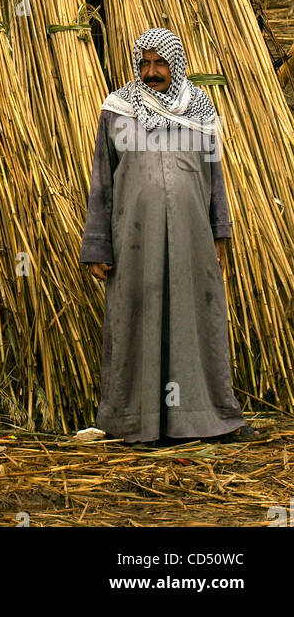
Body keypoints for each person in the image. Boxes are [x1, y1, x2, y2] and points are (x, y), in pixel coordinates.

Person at [80, 26, 253, 445]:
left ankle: (204, 418)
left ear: (175, 64)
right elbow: (102, 181)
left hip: (193, 237)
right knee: (138, 319)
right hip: (134, 241)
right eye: (145, 63)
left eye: (160, 63)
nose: (152, 72)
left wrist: (220, 231)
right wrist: (98, 246)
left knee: (194, 321)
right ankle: (138, 423)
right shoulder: (118, 109)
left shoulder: (200, 108)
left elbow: (215, 177)